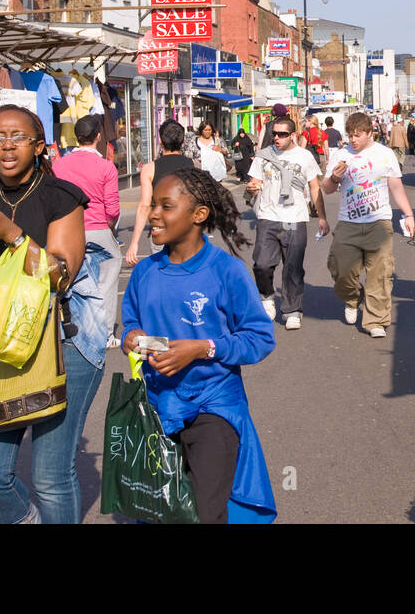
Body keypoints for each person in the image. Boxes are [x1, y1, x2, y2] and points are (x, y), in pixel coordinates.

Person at [0, 105, 104, 524]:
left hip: (64, 342)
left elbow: (60, 276)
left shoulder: (61, 198)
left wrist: (12, 234)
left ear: (38, 146)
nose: (7, 145)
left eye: (17, 137)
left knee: (50, 476)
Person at [121, 167, 276, 524]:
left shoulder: (227, 271)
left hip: (215, 406)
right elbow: (134, 326)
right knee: (165, 509)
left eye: (166, 206)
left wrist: (202, 348)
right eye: (152, 206)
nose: (153, 214)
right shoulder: (145, 272)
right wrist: (134, 338)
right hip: (158, 408)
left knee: (205, 512)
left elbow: (260, 338)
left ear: (198, 215)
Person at [321, 111, 415, 338]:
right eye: (350, 135)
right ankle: (353, 299)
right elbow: (326, 188)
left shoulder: (385, 154)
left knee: (380, 273)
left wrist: (408, 214)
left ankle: (376, 320)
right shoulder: (340, 155)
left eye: (358, 135)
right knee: (340, 269)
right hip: (348, 222)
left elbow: (395, 186)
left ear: (369, 133)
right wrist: (334, 177)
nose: (353, 140)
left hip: (379, 222)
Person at [246, 118, 327, 329]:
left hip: (295, 217)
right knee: (262, 264)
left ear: (292, 135)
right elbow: (254, 183)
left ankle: (292, 310)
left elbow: (314, 187)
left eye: (282, 134)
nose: (277, 138)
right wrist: (252, 188)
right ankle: (267, 296)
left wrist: (322, 217)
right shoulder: (264, 156)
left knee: (293, 267)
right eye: (274, 133)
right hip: (268, 216)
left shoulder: (304, 156)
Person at [52, 115, 123, 347]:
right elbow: (112, 209)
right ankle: (105, 333)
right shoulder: (106, 167)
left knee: (69, 281)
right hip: (98, 228)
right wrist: (109, 227)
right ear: (98, 137)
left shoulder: (58, 165)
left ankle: (71, 327)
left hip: (66, 231)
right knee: (107, 279)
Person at [126, 119, 194, 266]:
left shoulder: (150, 168)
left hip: (161, 227)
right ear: (182, 141)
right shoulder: (192, 165)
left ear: (160, 141)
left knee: (162, 270)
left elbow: (144, 206)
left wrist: (134, 243)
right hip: (185, 228)